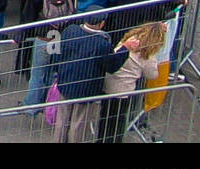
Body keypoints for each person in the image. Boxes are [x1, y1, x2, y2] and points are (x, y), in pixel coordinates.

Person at [54, 10, 140, 143]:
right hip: (86, 91)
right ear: (102, 23)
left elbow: (59, 53)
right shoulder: (102, 44)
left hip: (65, 83)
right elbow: (112, 67)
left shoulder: (70, 31)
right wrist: (125, 48)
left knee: (62, 121)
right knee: (78, 125)